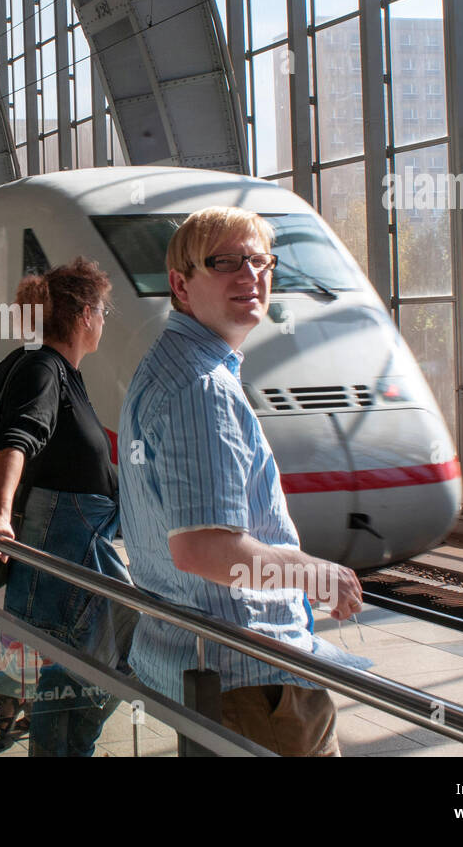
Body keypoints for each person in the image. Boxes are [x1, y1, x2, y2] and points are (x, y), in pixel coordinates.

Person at [117, 207, 370, 758]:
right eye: (225, 262)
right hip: (249, 680)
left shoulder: (167, 366)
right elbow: (202, 549)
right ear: (181, 284)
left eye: (259, 260)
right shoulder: (201, 388)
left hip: (198, 668)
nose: (249, 275)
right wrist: (318, 576)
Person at [0, 259, 131, 758]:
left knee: (90, 666)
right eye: (103, 309)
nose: (105, 319)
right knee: (91, 668)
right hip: (63, 542)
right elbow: (16, 439)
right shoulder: (42, 368)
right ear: (85, 313)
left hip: (83, 539)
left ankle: (63, 750)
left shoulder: (62, 370)